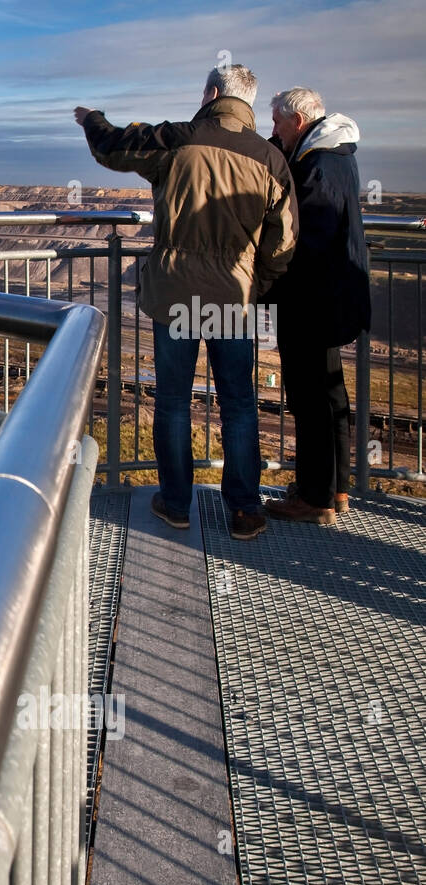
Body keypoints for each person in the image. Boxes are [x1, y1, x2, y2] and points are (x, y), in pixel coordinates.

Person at [75, 64, 296, 540]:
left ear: (213, 93)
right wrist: (256, 284)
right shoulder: (271, 159)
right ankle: (244, 509)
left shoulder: (178, 139)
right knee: (238, 404)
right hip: (233, 299)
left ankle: (175, 503)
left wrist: (92, 118)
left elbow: (113, 147)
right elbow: (283, 244)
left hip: (175, 295)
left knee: (174, 401)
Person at [260, 88, 370, 525]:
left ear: (298, 122)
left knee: (309, 399)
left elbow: (306, 241)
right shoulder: (336, 154)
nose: (274, 130)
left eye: (277, 123)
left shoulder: (317, 165)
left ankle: (314, 498)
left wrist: (268, 280)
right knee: (329, 393)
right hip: (332, 297)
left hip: (312, 301)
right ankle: (336, 487)